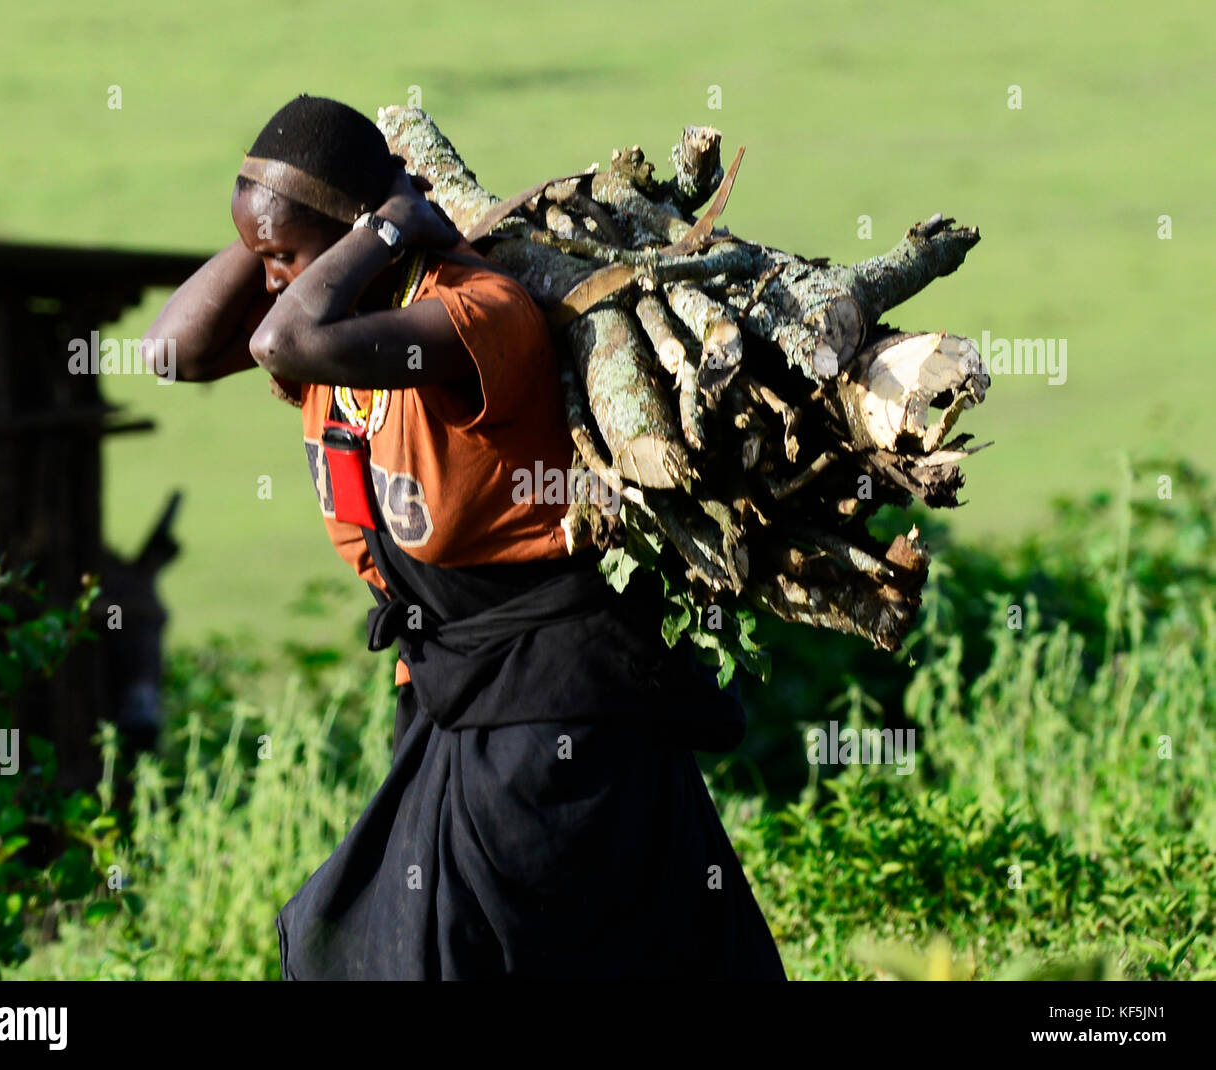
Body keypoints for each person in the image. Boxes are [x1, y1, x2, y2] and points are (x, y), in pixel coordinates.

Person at [146, 94, 787, 980]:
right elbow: (171, 350)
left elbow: (285, 341)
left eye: (286, 259)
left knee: (503, 953)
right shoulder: (330, 317)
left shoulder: (473, 314)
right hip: (454, 692)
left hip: (558, 709)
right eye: (266, 262)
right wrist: (282, 232)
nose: (270, 284)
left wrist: (376, 229)